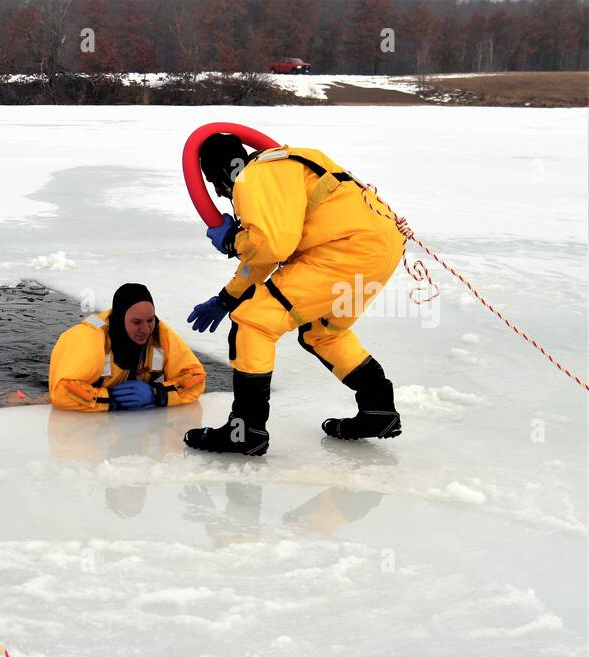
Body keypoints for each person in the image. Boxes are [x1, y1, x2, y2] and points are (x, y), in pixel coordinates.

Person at [182, 133, 405, 456]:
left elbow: (271, 246)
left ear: (224, 170)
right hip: (377, 249)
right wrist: (225, 298)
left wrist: (233, 241)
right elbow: (265, 256)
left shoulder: (253, 176)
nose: (217, 192)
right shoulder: (285, 165)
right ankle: (378, 411)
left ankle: (245, 429)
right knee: (324, 332)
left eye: (213, 183)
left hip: (343, 250)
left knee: (253, 322)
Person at [49, 283, 206, 412]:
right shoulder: (89, 339)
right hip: (90, 386)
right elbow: (63, 390)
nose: (146, 330)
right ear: (120, 319)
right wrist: (111, 400)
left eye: (150, 320)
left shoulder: (159, 334)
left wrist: (158, 394)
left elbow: (196, 378)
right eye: (136, 322)